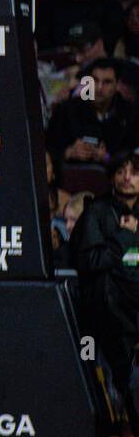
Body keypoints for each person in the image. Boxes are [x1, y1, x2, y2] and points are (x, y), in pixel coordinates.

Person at [70, 150, 139, 420]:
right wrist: (123, 236)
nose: (127, 178)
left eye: (134, 172)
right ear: (112, 177)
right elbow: (88, 260)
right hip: (111, 318)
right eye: (121, 171)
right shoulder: (97, 212)